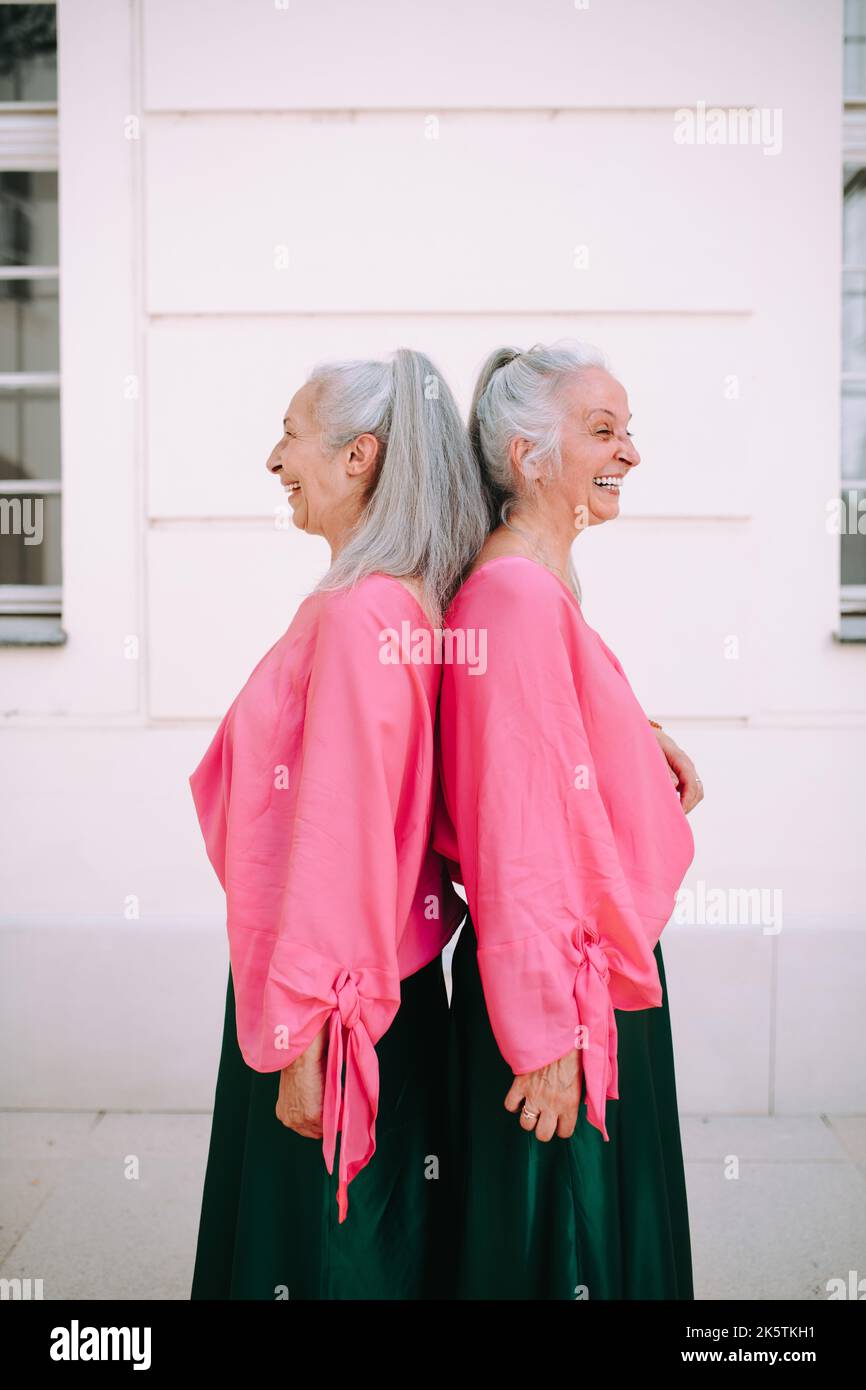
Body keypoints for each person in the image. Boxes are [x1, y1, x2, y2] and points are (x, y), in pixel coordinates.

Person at [188, 349, 488, 1299]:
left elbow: (341, 842)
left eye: (289, 434)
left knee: (323, 1262)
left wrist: (308, 1043)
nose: (275, 460)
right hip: (347, 992)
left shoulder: (365, 614)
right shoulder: (397, 604)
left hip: (330, 1008)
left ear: (359, 456)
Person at [434, 341, 703, 1299]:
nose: (629, 452)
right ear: (526, 454)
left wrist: (639, 732)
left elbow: (554, 767)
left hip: (581, 982)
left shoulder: (533, 592)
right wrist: (546, 1035)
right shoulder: (511, 599)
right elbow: (517, 840)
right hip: (558, 1006)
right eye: (602, 431)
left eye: (628, 431)